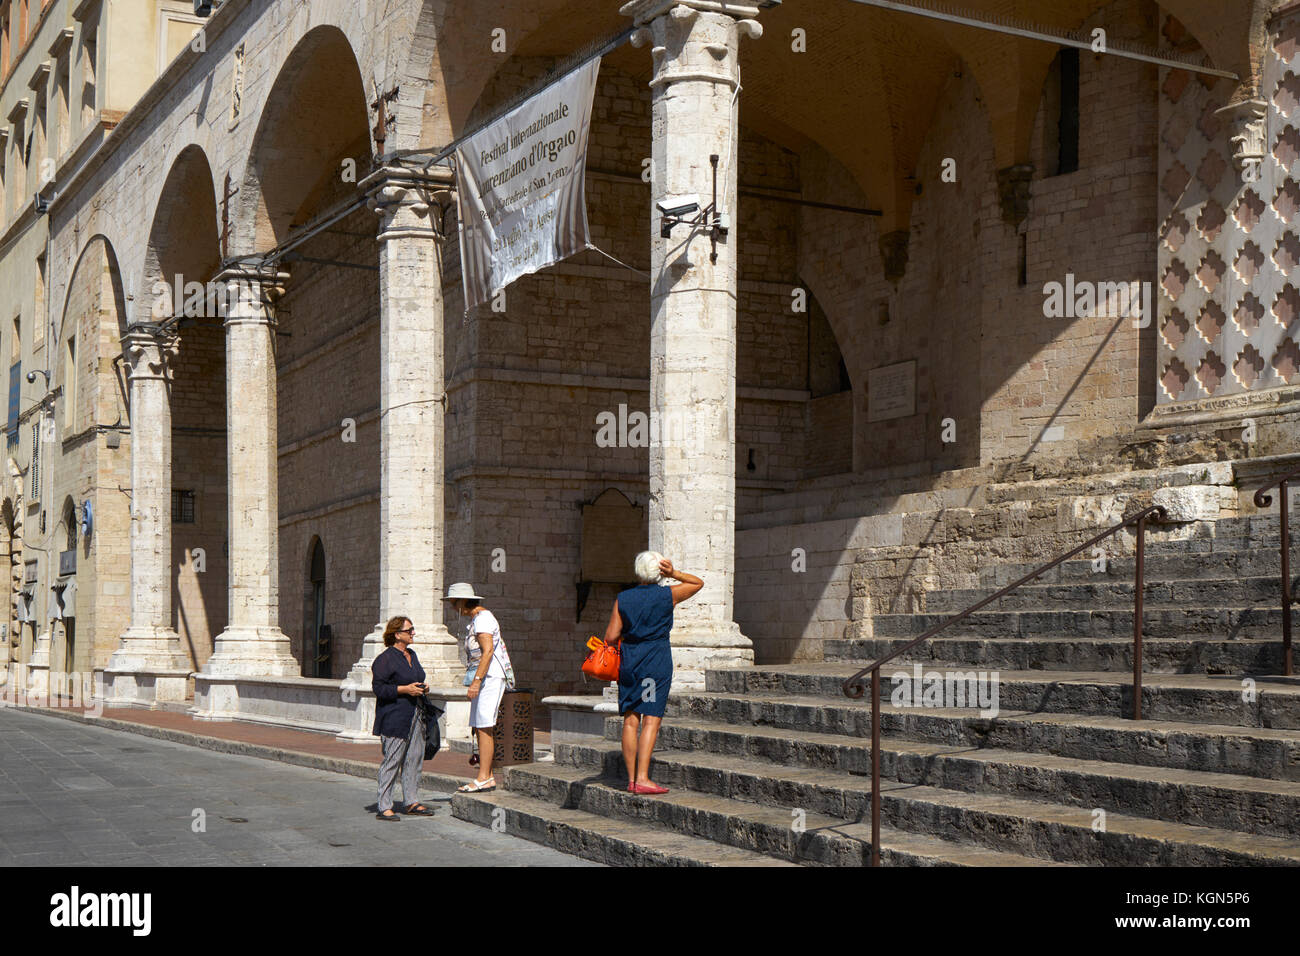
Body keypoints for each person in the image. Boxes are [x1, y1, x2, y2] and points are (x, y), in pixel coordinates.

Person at [604, 552, 702, 795]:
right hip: (653, 663)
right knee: (650, 718)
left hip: (629, 662)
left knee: (630, 719)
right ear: (659, 571)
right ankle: (642, 778)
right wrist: (674, 573)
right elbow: (697, 583)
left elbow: (610, 637)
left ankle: (630, 779)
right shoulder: (667, 595)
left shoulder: (623, 598)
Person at [442, 583, 513, 793]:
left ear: (463, 602)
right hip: (485, 678)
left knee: (484, 725)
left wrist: (476, 681)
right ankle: (487, 775)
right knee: (480, 725)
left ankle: (483, 777)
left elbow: (488, 651)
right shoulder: (476, 621)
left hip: (490, 677)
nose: (453, 608)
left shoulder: (483, 619)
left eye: (454, 603)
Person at [371, 616, 436, 820]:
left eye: (412, 630)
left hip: (417, 714)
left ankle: (411, 801)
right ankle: (384, 805)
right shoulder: (385, 659)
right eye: (410, 630)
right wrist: (404, 689)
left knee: (414, 759)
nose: (413, 633)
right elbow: (379, 688)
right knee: (392, 759)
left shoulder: (412, 655)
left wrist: (423, 687)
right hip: (394, 717)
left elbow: (417, 677)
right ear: (397, 634)